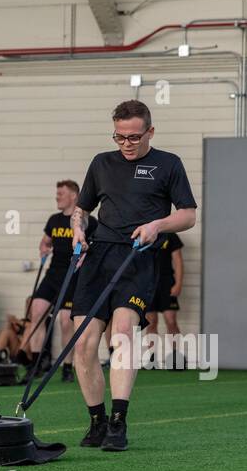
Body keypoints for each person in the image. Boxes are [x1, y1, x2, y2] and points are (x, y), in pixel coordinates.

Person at [69, 99, 197, 452]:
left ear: (150, 132)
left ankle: (118, 421)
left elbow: (188, 215)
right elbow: (81, 209)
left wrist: (157, 225)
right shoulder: (101, 163)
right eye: (119, 137)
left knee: (122, 335)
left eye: (134, 137)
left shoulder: (168, 164)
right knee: (83, 342)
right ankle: (96, 419)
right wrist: (78, 229)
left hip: (138, 257)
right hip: (98, 256)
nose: (126, 144)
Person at [27, 181, 97, 383]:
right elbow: (46, 241)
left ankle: (67, 366)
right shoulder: (54, 220)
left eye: (61, 194)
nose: (57, 197)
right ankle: (35, 364)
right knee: (36, 311)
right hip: (53, 274)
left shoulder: (88, 222)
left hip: (74, 275)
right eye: (57, 194)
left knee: (66, 321)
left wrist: (87, 254)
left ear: (74, 196)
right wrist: (43, 247)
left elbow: (97, 247)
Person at [144, 232, 185, 369]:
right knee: (151, 322)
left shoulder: (170, 236)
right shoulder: (144, 234)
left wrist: (178, 283)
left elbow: (178, 261)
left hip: (167, 283)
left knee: (171, 321)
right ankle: (152, 359)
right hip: (148, 283)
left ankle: (176, 357)